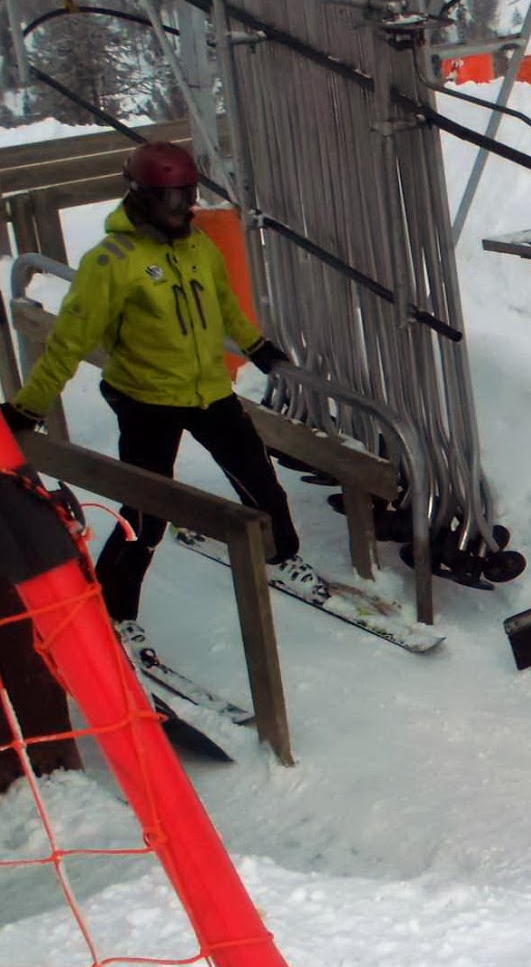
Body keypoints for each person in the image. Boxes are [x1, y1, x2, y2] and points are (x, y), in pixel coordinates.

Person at [0, 141, 326, 640]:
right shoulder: (111, 261)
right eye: (170, 199)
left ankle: (281, 555)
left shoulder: (197, 245)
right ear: (140, 197)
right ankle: (115, 608)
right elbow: (69, 341)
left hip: (208, 391)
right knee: (146, 513)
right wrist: (30, 406)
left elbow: (224, 303)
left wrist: (256, 345)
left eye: (188, 196)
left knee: (260, 481)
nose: (183, 209)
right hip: (146, 401)